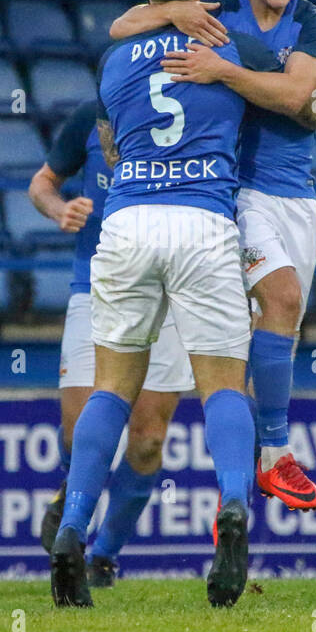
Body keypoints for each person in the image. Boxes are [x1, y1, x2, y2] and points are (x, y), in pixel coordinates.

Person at [50, 0, 274, 608]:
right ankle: (233, 507)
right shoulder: (231, 43)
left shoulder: (115, 60)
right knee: (224, 386)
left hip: (126, 224)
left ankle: (70, 532)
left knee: (112, 391)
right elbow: (291, 96)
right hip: (203, 221)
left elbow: (113, 147)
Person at [109, 0, 316, 511]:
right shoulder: (212, 8)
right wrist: (169, 11)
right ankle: (276, 457)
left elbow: (298, 97)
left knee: (269, 343)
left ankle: (232, 507)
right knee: (283, 299)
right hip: (228, 193)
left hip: (294, 195)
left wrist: (224, 71)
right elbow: (121, 27)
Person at [29, 98, 194, 587]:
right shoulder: (93, 113)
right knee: (80, 432)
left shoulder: (199, 108)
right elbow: (42, 184)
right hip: (97, 285)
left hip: (171, 291)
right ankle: (71, 496)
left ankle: (103, 555)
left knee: (148, 442)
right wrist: (60, 209)